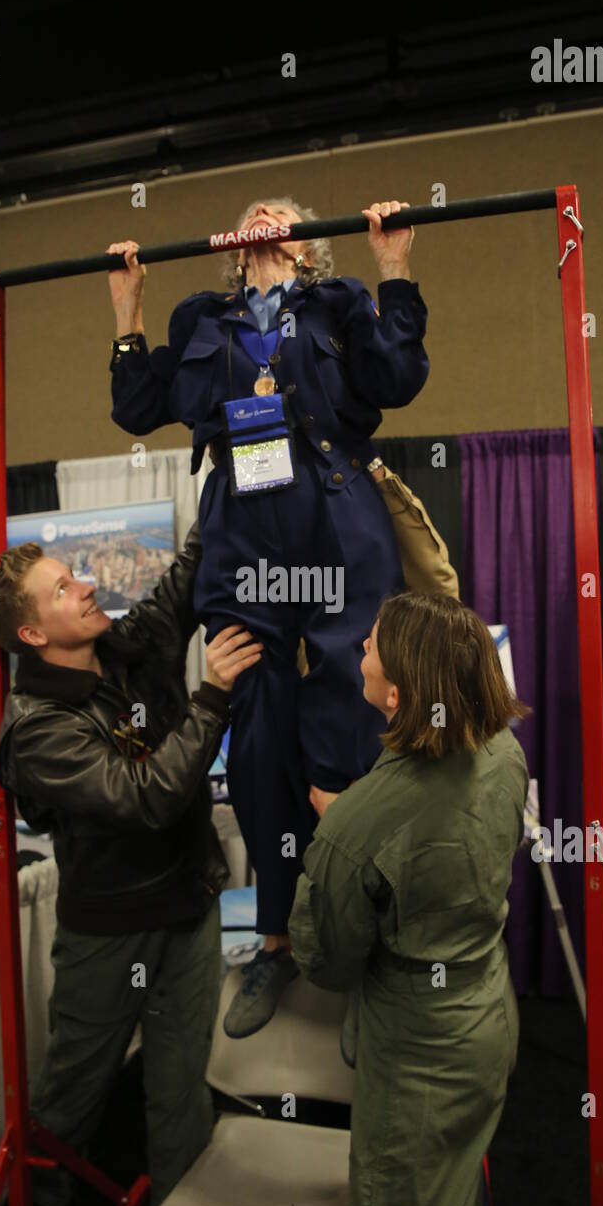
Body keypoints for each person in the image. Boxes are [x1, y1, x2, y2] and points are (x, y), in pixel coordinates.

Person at [107, 196, 429, 1037]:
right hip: (246, 534)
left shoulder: (339, 302)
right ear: (233, 246)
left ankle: (368, 951)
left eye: (278, 212)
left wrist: (394, 265)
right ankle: (279, 941)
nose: (261, 216)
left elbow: (398, 379)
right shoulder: (200, 317)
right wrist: (128, 309)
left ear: (302, 241)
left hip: (333, 518)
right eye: (250, 211)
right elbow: (140, 407)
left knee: (344, 730)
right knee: (254, 734)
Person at [0, 521, 261, 1206]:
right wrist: (212, 695)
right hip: (110, 935)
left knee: (180, 1093)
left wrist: (228, 460)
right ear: (34, 635)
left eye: (76, 574)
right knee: (70, 1098)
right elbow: (144, 797)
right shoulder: (37, 726)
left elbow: (189, 575)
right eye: (64, 588)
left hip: (187, 907)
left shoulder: (128, 646)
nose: (88, 584)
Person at [288, 592, 531, 1206]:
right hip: (487, 1015)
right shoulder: (505, 754)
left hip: (417, 1058)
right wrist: (367, 817)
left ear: (396, 696)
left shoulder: (356, 827)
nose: (361, 650)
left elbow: (327, 962)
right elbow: (436, 816)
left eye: (373, 646)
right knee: (452, 1185)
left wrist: (344, 834)